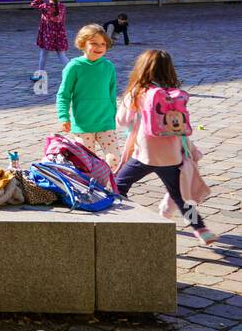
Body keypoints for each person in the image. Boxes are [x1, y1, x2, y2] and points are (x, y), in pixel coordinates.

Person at [114, 49, 214, 245]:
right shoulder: (173, 95)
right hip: (171, 156)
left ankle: (125, 219)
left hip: (144, 155)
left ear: (140, 69)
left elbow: (122, 121)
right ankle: (200, 228)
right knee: (182, 196)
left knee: (118, 186)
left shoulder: (138, 92)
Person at [56, 24, 119, 164]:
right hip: (83, 124)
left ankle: (108, 185)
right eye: (94, 43)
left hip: (105, 122)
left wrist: (114, 115)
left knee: (115, 160)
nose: (99, 47)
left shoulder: (108, 66)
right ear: (82, 44)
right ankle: (89, 185)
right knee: (86, 163)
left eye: (103, 44)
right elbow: (63, 94)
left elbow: (112, 94)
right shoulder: (74, 66)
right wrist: (63, 117)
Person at [30, 0, 67, 81]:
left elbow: (33, 4)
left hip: (48, 34)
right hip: (59, 34)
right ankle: (75, 72)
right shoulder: (62, 7)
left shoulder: (45, 6)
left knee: (43, 54)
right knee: (61, 55)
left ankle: (40, 75)